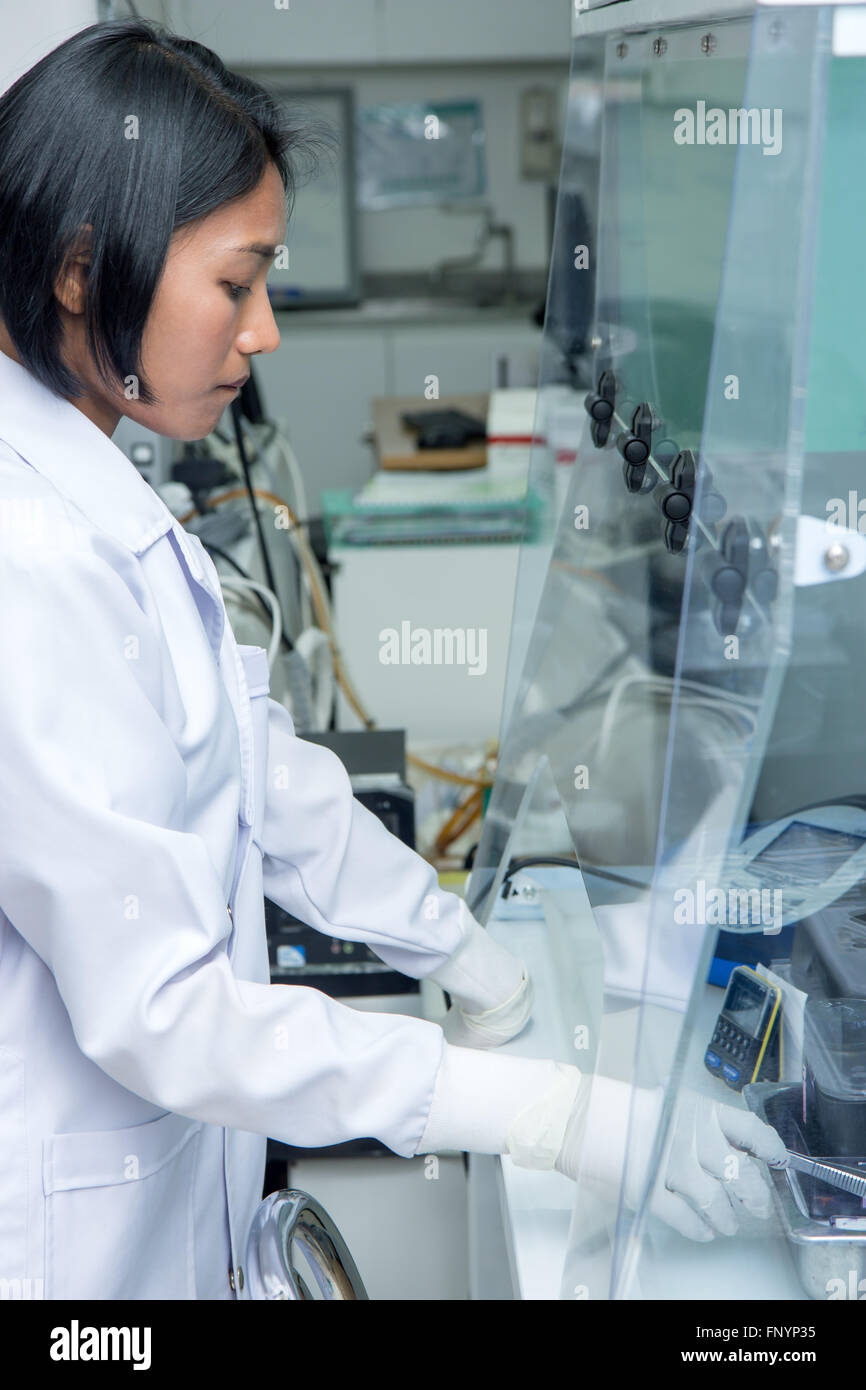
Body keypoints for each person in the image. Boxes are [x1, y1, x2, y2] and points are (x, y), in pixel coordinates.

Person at [0, 19, 786, 1301]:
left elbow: (263, 779)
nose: (262, 334)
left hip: (171, 1203)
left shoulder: (94, 497)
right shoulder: (24, 556)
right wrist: (555, 1115)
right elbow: (166, 1013)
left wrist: (459, 953)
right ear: (85, 271)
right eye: (236, 282)